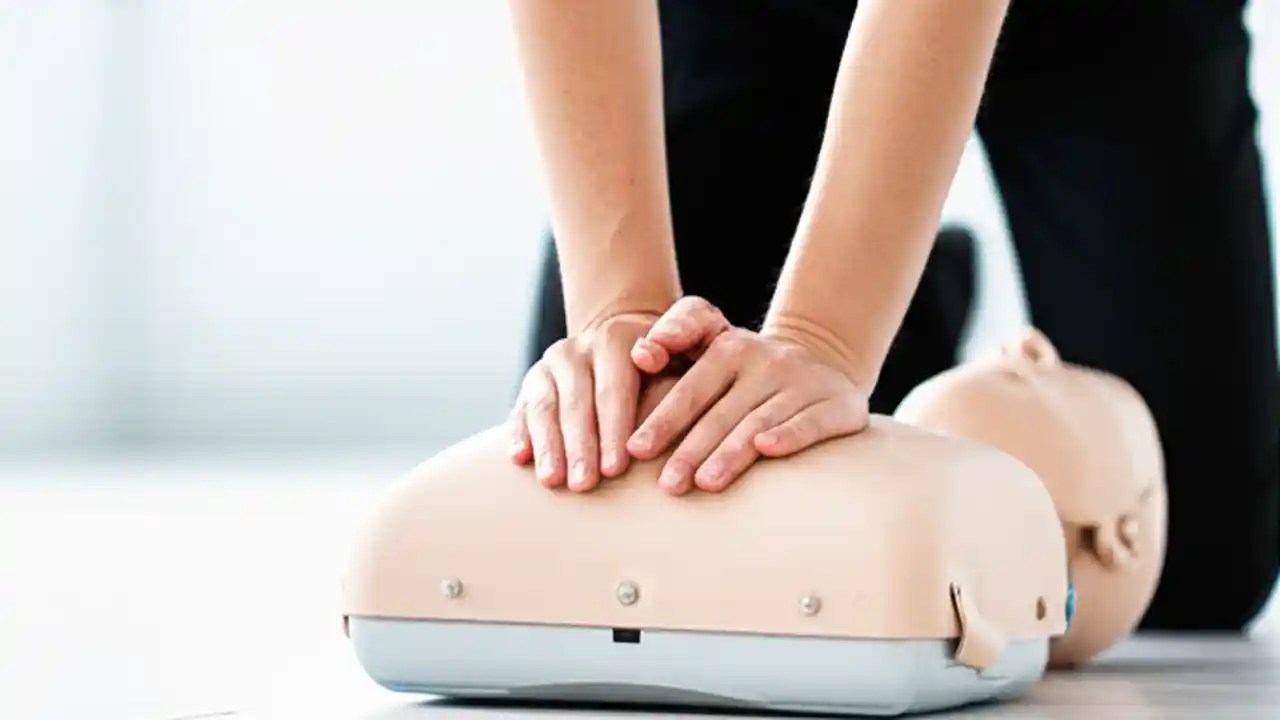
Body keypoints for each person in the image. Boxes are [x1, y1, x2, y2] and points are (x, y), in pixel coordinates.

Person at [503, 0, 1278, 632]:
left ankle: (881, 294)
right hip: (743, 19)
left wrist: (825, 336)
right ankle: (915, 305)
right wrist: (621, 311)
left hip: (1106, 27)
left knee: (1191, 573)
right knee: (610, 492)